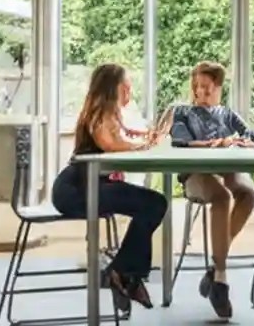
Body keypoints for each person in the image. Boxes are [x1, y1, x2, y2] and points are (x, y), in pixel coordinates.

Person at [51, 63, 168, 312]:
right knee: (153, 204)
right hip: (77, 190)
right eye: (125, 85)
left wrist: (147, 138)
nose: (129, 91)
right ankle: (124, 274)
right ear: (112, 88)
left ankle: (125, 275)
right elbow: (112, 144)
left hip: (93, 186)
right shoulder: (99, 114)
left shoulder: (111, 114)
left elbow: (126, 137)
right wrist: (141, 146)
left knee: (153, 204)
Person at [169, 61, 254, 318]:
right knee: (222, 196)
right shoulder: (182, 112)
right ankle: (221, 280)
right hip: (195, 173)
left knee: (248, 194)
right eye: (197, 87)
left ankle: (214, 265)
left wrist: (248, 141)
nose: (200, 93)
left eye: (207, 88)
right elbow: (182, 142)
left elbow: (253, 135)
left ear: (219, 88)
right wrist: (217, 143)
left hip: (227, 169)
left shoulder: (227, 114)